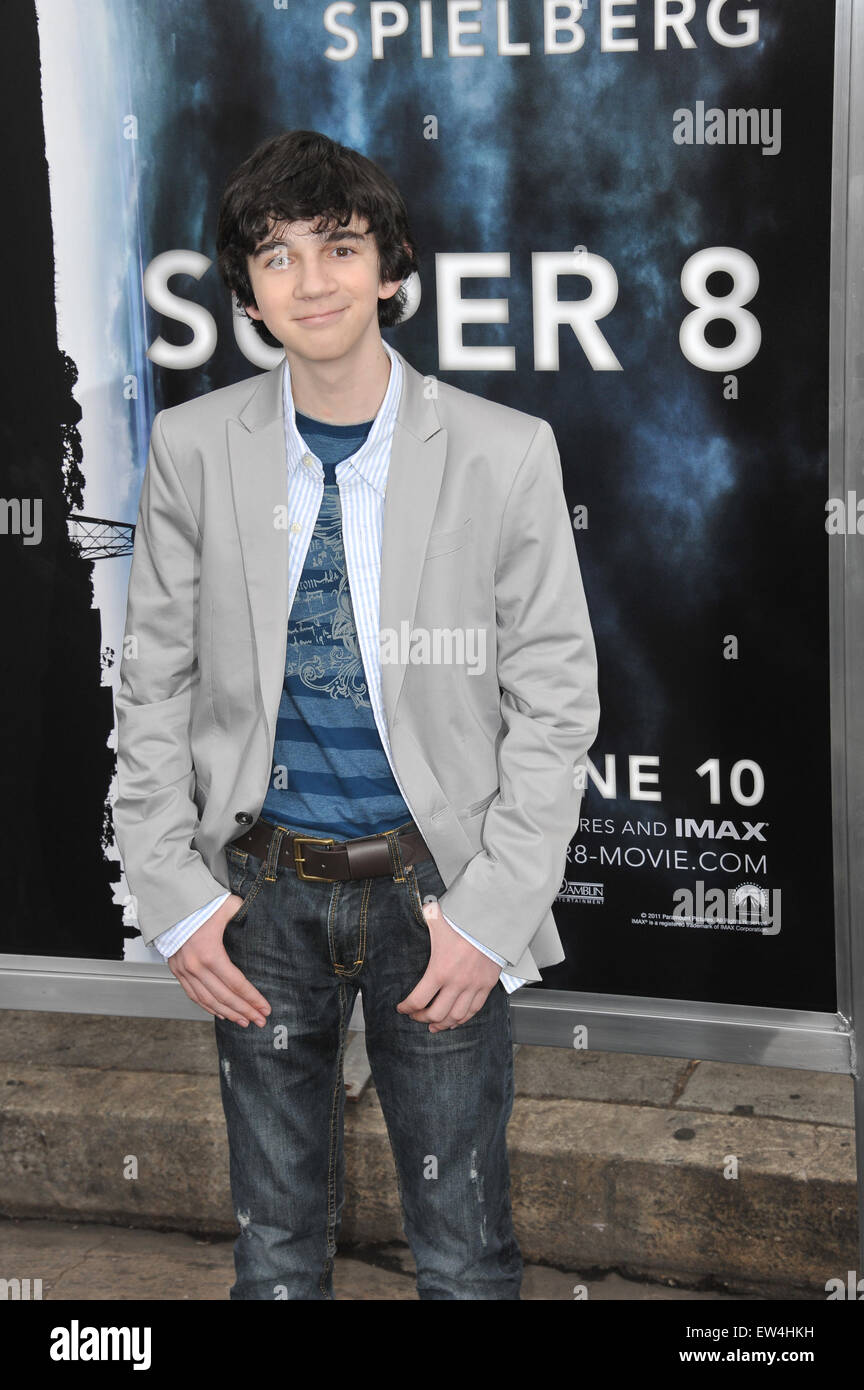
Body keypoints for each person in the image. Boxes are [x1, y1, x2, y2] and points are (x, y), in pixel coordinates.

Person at [113, 129, 600, 1300]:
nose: (312, 279)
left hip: (437, 895)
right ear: (248, 295)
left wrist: (488, 916)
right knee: (274, 1253)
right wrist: (172, 901)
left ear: (391, 268)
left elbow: (556, 701)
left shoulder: (504, 452)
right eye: (277, 258)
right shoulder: (192, 448)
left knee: (466, 1255)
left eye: (339, 247)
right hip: (257, 899)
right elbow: (154, 683)